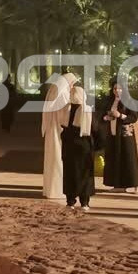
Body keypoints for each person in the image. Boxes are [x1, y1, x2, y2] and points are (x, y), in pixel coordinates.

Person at [98, 81, 138, 193]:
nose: (117, 91)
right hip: (113, 134)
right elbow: (102, 114)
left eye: (120, 89)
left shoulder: (129, 101)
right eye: (115, 89)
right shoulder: (110, 101)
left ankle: (137, 185)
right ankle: (118, 185)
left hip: (125, 135)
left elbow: (134, 117)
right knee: (115, 159)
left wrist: (120, 115)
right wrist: (106, 118)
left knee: (129, 159)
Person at [41, 72, 78, 200]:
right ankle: (58, 190)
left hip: (53, 131)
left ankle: (51, 189)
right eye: (72, 83)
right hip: (59, 132)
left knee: (53, 159)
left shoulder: (55, 92)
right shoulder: (63, 95)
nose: (73, 86)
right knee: (58, 160)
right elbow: (65, 116)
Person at [60, 86, 95, 212]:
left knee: (70, 173)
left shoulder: (66, 108)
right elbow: (94, 129)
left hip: (69, 146)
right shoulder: (87, 110)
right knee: (85, 175)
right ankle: (84, 202)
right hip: (83, 147)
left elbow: (62, 126)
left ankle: (70, 201)